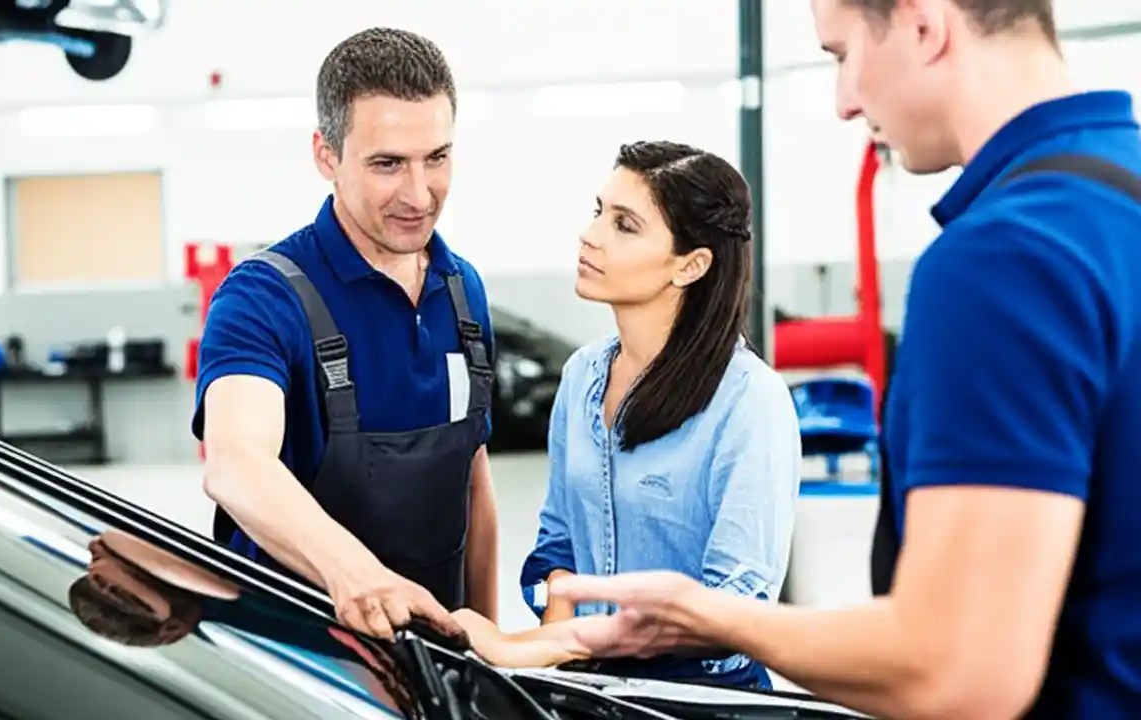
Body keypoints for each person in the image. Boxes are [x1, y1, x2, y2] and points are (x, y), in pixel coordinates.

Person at [537, 1, 1141, 718]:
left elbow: (958, 673)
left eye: (840, 54)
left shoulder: (1008, 256)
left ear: (923, 24)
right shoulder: (1115, 196)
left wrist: (705, 616)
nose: (844, 102)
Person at [449, 140, 802, 690]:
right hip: (592, 689)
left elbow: (734, 606)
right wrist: (561, 652)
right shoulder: (582, 376)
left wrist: (558, 643)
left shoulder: (750, 402)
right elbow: (558, 542)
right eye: (598, 212)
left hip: (701, 701)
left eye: (625, 225)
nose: (590, 235)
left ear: (691, 265)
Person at [192, 27, 500, 645]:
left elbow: (472, 483)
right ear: (326, 155)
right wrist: (359, 577)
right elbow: (237, 463)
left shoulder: (462, 289)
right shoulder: (263, 297)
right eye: (388, 164)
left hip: (430, 667)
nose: (419, 194)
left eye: (436, 158)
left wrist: (491, 652)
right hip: (295, 663)